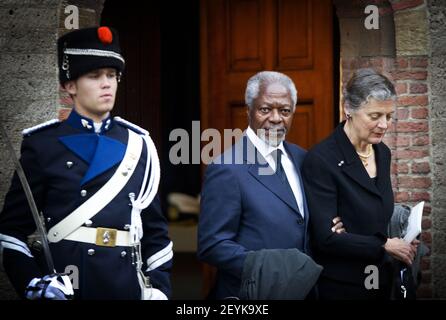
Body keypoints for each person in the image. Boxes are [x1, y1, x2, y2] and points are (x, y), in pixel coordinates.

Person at [0, 26, 172, 300]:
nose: (107, 83)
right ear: (69, 86)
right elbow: (11, 232)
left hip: (126, 288)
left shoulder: (140, 145)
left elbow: (155, 233)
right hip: (69, 285)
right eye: (94, 76)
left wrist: (160, 289)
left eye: (112, 75)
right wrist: (34, 283)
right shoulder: (43, 145)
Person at [197, 71, 337, 299]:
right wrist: (272, 268)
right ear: (248, 111)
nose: (275, 118)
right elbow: (212, 245)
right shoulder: (226, 168)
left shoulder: (303, 159)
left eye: (284, 110)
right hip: (254, 295)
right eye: (265, 109)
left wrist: (331, 227)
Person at [302, 68, 419, 300]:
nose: (384, 125)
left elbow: (375, 214)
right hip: (342, 285)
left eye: (389, 116)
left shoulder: (382, 152)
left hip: (381, 278)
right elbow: (327, 239)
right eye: (375, 116)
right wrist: (384, 244)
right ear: (349, 109)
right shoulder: (321, 159)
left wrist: (401, 239)